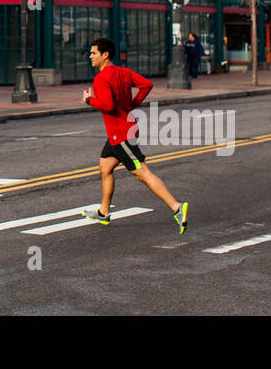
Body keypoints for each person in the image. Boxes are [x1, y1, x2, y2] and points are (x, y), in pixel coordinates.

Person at [81, 38, 190, 232]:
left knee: (142, 173)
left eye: (93, 53)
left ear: (105, 56)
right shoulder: (124, 72)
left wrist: (89, 99)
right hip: (121, 133)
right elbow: (146, 85)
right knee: (105, 166)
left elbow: (107, 105)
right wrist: (132, 104)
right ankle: (104, 212)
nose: (90, 56)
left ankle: (176, 207)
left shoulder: (101, 78)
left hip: (121, 136)